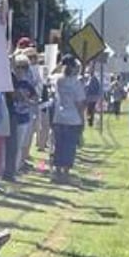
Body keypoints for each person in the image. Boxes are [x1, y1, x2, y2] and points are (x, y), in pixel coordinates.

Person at [50, 54, 87, 183]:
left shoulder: (58, 80)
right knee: (69, 147)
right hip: (73, 118)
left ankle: (57, 171)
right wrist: (82, 120)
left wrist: (60, 64)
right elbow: (80, 104)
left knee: (58, 145)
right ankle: (65, 172)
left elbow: (52, 73)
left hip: (59, 117)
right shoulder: (76, 83)